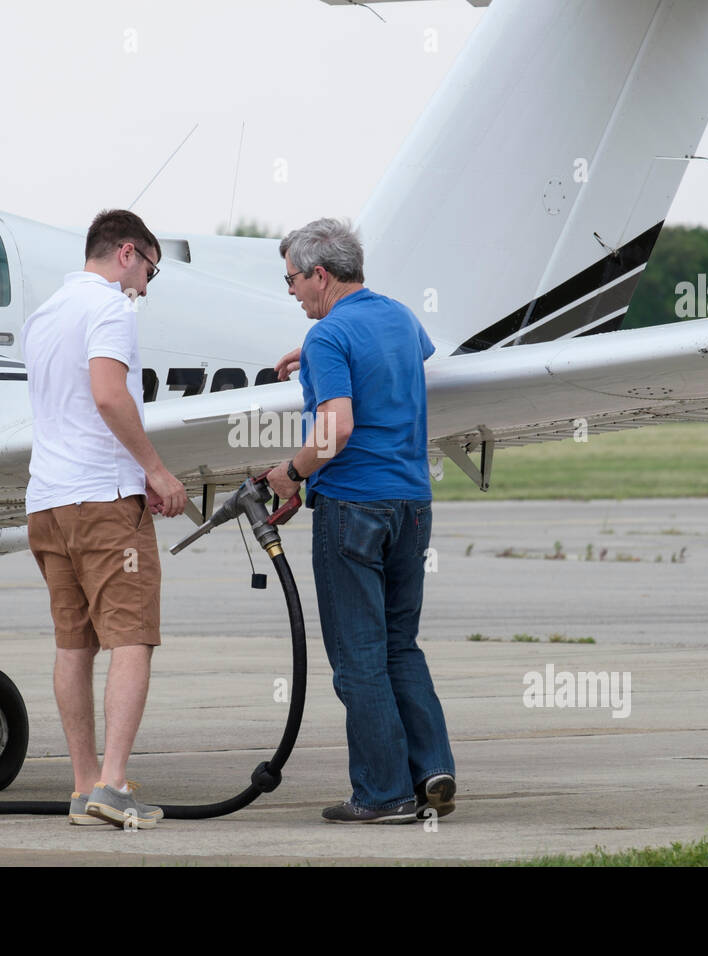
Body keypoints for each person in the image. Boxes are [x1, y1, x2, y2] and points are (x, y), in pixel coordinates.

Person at [266, 218, 456, 824]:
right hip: (413, 506)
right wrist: (323, 350)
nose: (292, 291)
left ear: (319, 274)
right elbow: (393, 363)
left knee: (358, 657)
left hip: (353, 508)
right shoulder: (401, 318)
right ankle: (431, 772)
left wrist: (290, 473)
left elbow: (337, 428)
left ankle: (382, 794)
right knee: (401, 644)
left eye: (293, 279)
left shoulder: (330, 338)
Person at [23, 209, 187, 830]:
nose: (145, 285)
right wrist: (157, 472)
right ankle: (115, 786)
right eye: (150, 268)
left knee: (73, 645)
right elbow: (108, 393)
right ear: (126, 252)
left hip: (48, 502)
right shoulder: (111, 309)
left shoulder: (43, 315)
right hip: (104, 500)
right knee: (132, 637)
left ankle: (82, 785)